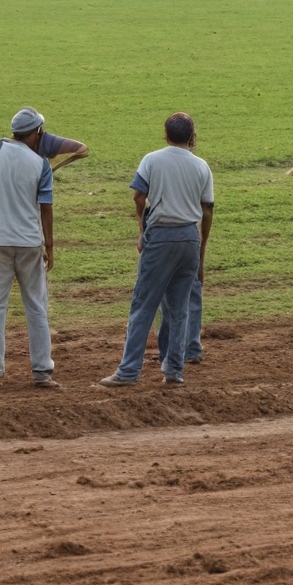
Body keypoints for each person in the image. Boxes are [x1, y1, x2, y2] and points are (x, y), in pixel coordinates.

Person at [102, 114, 215, 387]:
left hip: (161, 235)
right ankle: (174, 371)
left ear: (165, 134)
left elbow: (138, 194)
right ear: (191, 137)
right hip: (189, 238)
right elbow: (207, 210)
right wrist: (200, 254)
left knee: (143, 305)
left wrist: (143, 226)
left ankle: (129, 371)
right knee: (179, 309)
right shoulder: (202, 166)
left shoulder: (152, 159)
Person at [0, 107, 61, 389]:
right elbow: (46, 208)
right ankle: (42, 371)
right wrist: (50, 245)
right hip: (30, 242)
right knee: (36, 306)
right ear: (37, 133)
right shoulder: (41, 164)